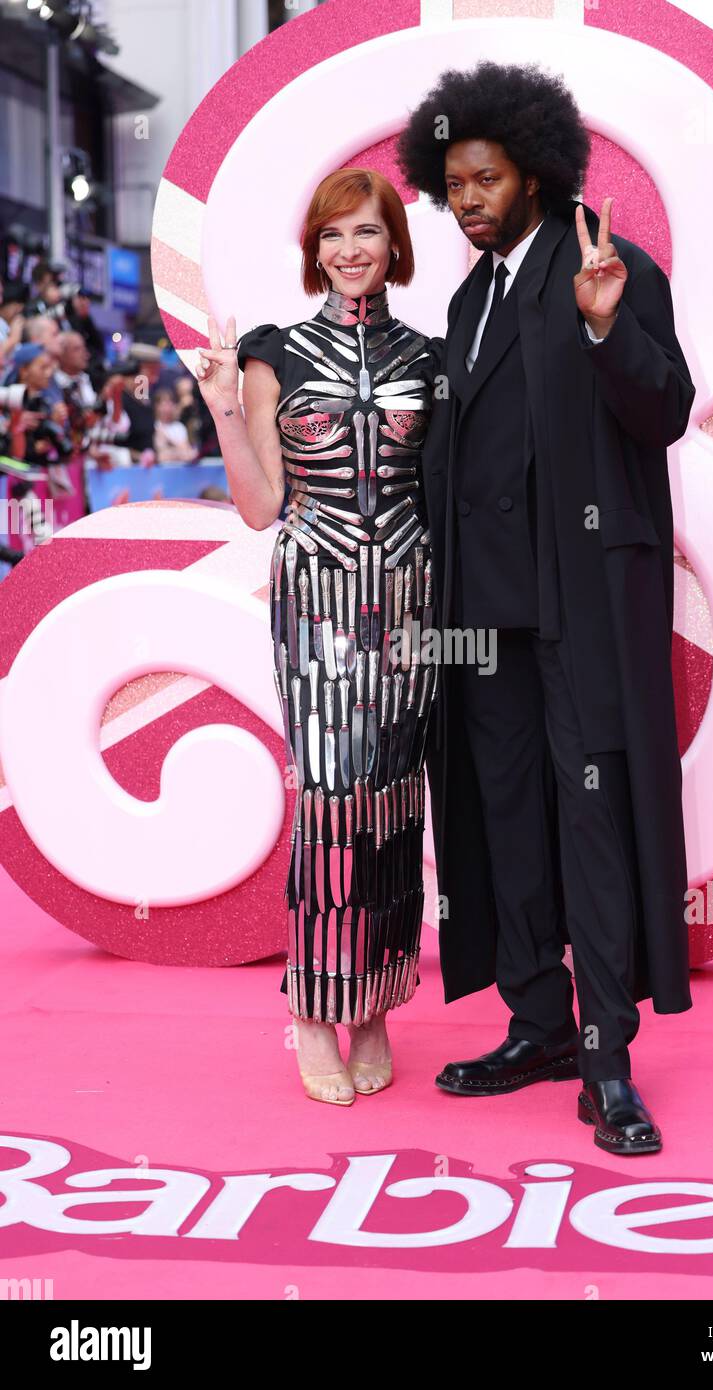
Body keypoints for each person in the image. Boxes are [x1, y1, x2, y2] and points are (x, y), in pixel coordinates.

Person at [396, 60, 697, 1155]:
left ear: (535, 167)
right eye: (453, 184)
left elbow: (662, 413)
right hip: (482, 618)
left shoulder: (605, 262)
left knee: (590, 817)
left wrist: (610, 329)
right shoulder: (468, 298)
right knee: (502, 812)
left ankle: (607, 1055)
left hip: (576, 603)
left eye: (484, 178)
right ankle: (538, 1023)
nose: (467, 198)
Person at [195, 168, 441, 1107]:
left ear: (392, 248)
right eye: (335, 235)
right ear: (314, 248)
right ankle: (311, 1005)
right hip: (318, 598)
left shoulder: (430, 354)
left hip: (412, 600)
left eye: (369, 234)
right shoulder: (273, 351)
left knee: (392, 797)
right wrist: (223, 401)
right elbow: (260, 508)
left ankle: (373, 1003)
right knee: (332, 794)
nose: (351, 251)